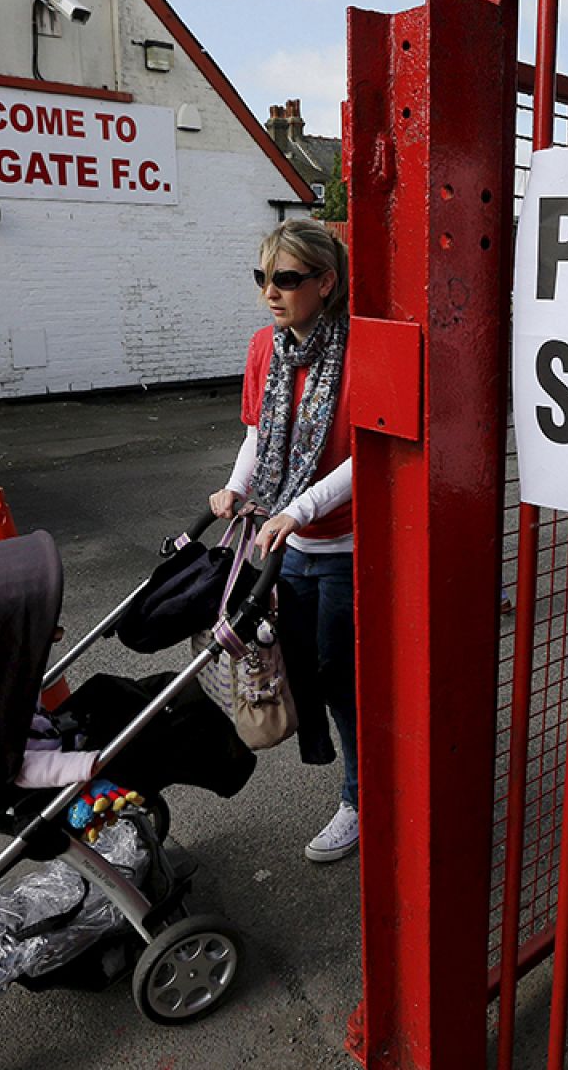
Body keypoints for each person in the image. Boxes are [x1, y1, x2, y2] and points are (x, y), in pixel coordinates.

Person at [209, 219, 360, 864]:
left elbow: (369, 457)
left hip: (346, 545)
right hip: (284, 545)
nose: (272, 292)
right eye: (262, 278)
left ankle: (359, 799)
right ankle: (358, 778)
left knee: (340, 676)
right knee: (302, 669)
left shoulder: (360, 350)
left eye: (288, 279)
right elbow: (256, 434)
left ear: (326, 283)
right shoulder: (265, 349)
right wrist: (235, 490)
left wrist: (298, 510)